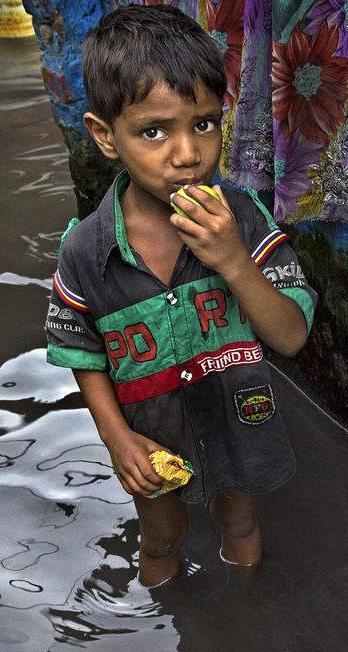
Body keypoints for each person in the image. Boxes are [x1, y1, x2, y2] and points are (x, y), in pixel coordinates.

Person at [44, 4, 316, 588]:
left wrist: (233, 262)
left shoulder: (241, 221)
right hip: (152, 432)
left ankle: (250, 620)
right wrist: (117, 441)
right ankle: (164, 620)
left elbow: (291, 337)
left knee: (238, 521)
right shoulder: (87, 252)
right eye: (153, 131)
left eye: (204, 123)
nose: (188, 153)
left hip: (238, 417)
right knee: (162, 536)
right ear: (104, 136)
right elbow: (85, 356)